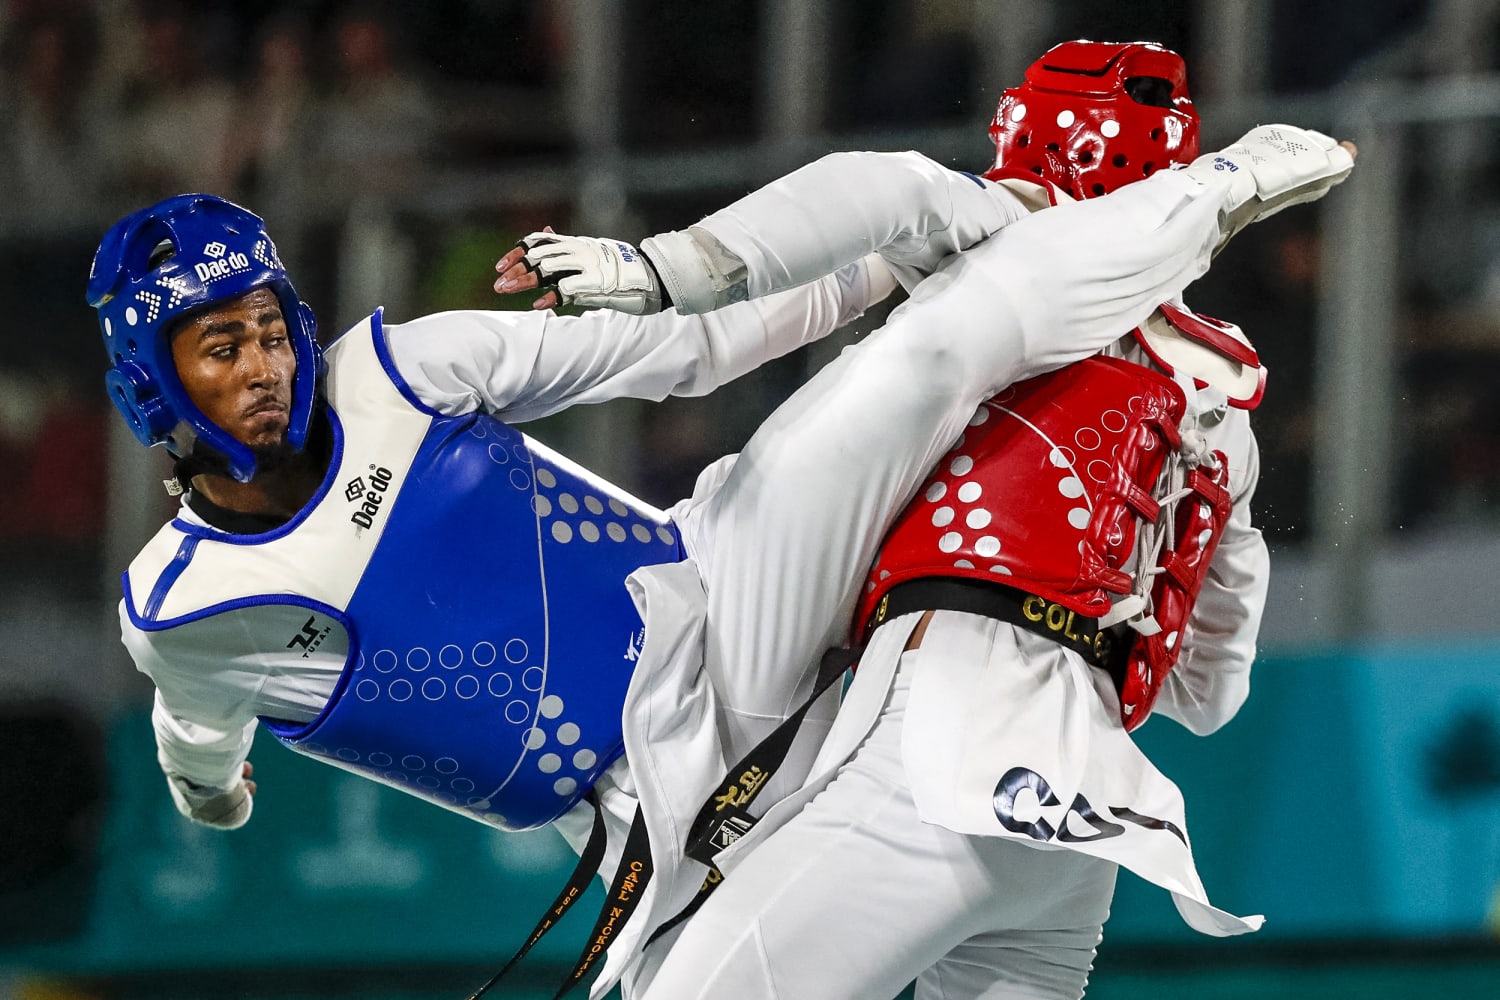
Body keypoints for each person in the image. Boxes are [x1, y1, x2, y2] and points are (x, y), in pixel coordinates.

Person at [91, 84, 1350, 1000]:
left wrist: (712, 270)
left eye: (268, 328)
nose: (264, 366)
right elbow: (195, 729)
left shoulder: (406, 369)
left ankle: (1218, 186)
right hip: (652, 797)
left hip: (724, 592)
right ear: (159, 385)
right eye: (222, 347)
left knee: (925, 347)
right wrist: (216, 790)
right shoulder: (189, 607)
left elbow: (688, 347)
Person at [505, 42, 1355, 1000]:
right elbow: (1209, 696)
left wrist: (663, 266)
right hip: (1081, 833)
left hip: (944, 749)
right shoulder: (1221, 407)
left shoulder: (1011, 255)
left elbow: (883, 191)